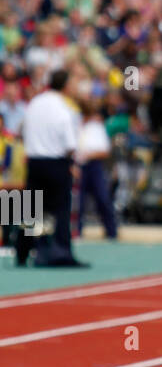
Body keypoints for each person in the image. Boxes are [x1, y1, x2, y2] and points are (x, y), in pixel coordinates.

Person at [19, 70, 89, 268]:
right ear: (66, 85)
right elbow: (70, 145)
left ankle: (24, 251)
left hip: (34, 161)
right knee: (59, 209)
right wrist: (72, 164)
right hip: (56, 162)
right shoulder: (64, 108)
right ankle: (59, 253)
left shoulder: (34, 103)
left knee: (32, 209)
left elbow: (23, 130)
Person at [76, 95, 117, 240]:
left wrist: (89, 155)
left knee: (103, 198)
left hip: (93, 167)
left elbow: (104, 151)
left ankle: (112, 231)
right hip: (77, 167)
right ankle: (76, 232)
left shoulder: (96, 127)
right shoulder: (75, 125)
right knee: (78, 202)